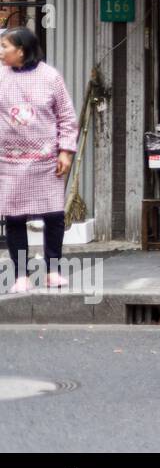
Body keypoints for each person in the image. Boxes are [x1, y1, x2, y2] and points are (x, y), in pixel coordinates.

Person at [0, 27, 78, 293]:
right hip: (8, 160)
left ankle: (53, 271)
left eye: (4, 46)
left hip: (46, 160)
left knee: (54, 216)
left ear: (21, 50)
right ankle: (21, 275)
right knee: (14, 217)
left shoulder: (50, 77)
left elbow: (67, 117)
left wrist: (65, 151)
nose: (0, 52)